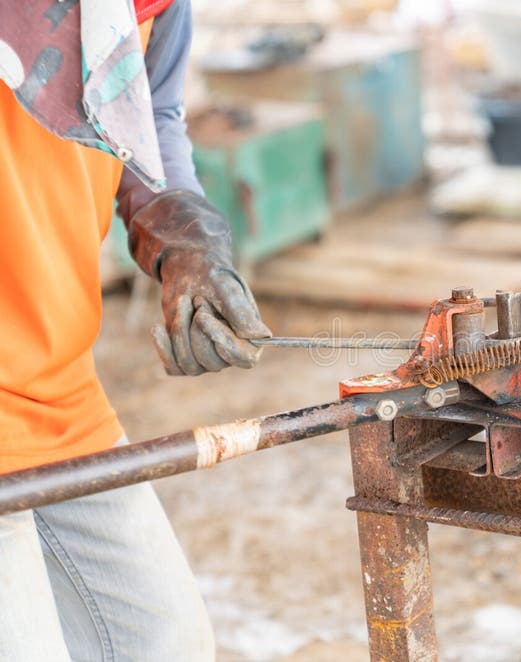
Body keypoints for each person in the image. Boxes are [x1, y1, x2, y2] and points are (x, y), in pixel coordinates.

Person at [0, 1, 269, 659]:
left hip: (57, 390)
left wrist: (181, 231)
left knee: (166, 642)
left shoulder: (155, 6)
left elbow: (153, 114)